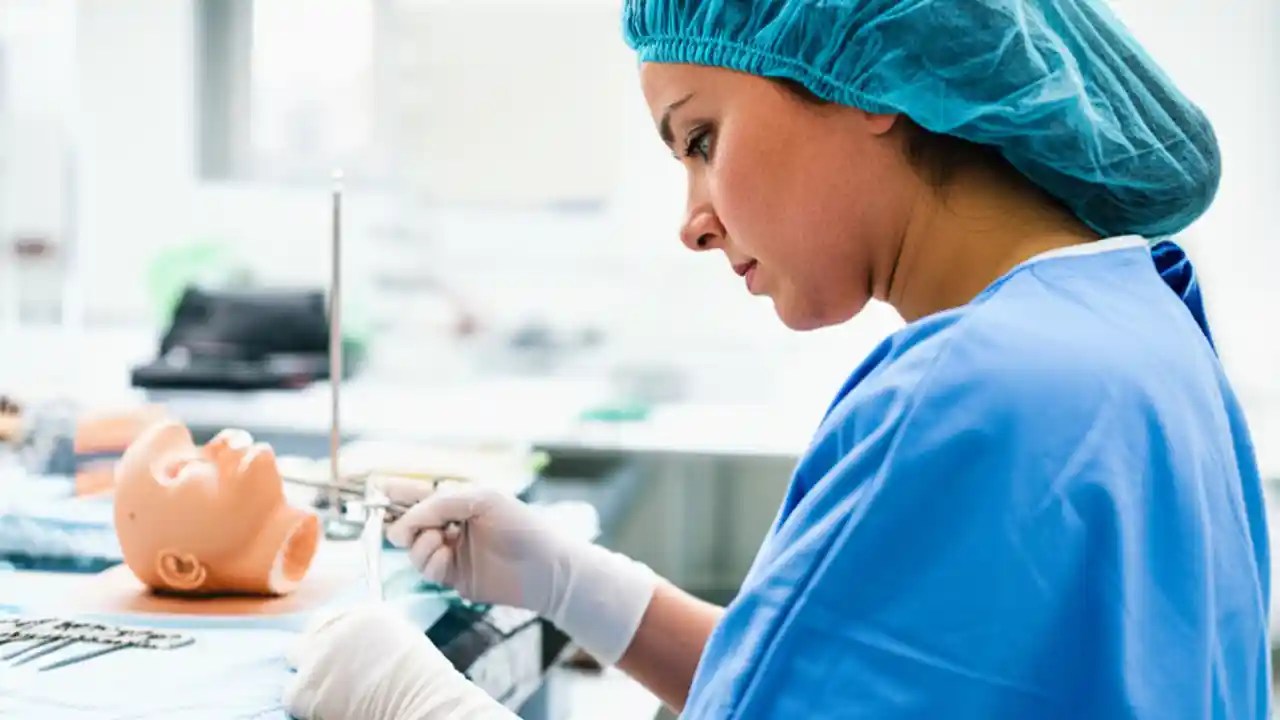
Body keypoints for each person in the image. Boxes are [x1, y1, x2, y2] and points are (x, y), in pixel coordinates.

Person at [283, 0, 1271, 717]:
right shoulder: (1132, 326)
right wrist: (582, 587)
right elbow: (851, 686)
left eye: (701, 137)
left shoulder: (971, 398)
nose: (692, 224)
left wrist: (412, 702)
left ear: (872, 80)